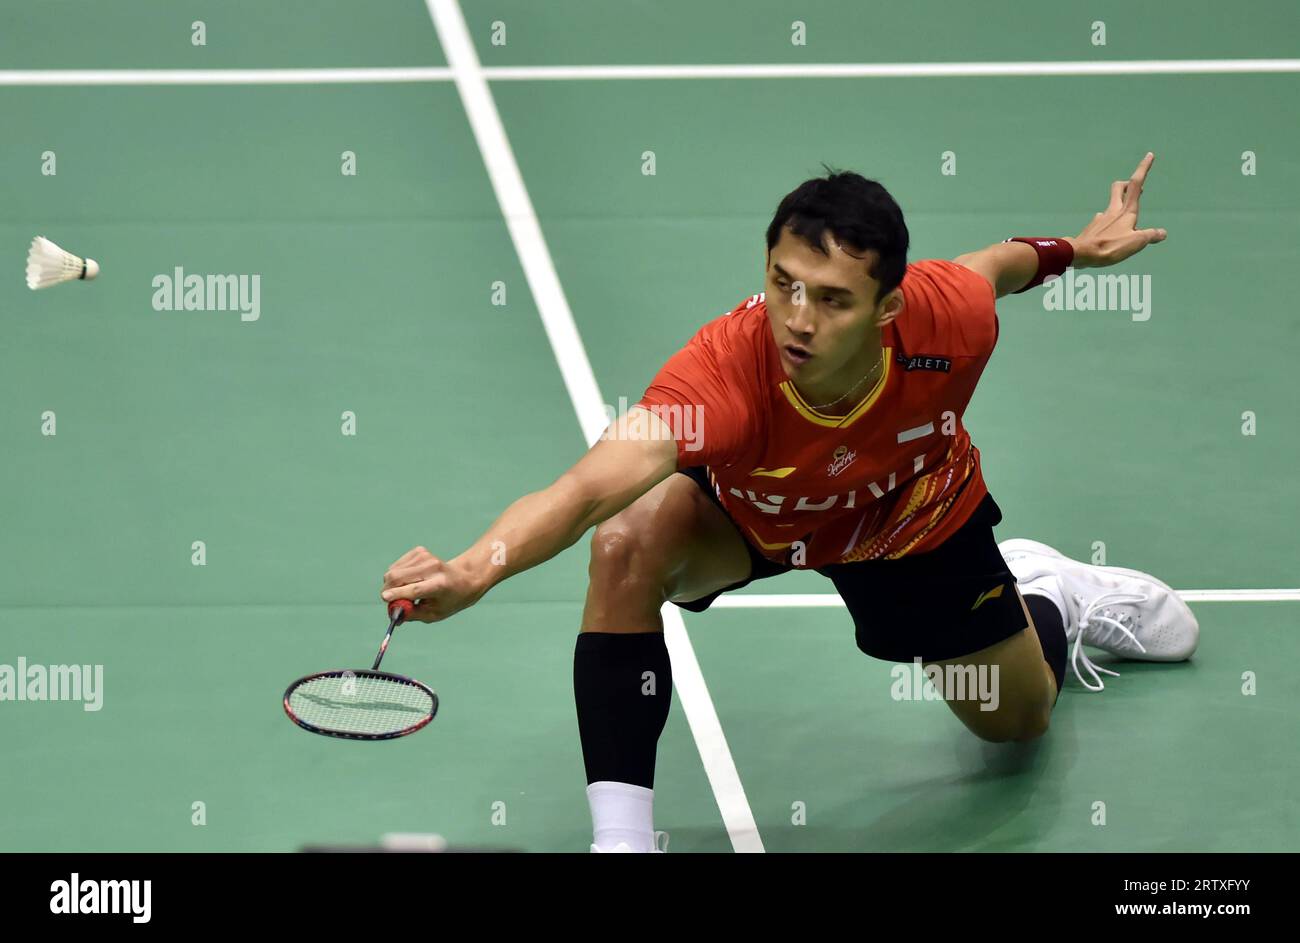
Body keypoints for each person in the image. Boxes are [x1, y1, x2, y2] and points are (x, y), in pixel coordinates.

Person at [380, 153, 1198, 853]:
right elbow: (584, 488)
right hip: (758, 513)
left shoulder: (948, 318)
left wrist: (1074, 252)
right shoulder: (724, 378)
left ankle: (1047, 595)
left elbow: (996, 265)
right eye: (783, 284)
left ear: (888, 307)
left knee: (1014, 724)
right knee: (626, 538)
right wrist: (473, 570)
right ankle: (622, 838)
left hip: (906, 515)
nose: (797, 320)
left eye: (833, 299)